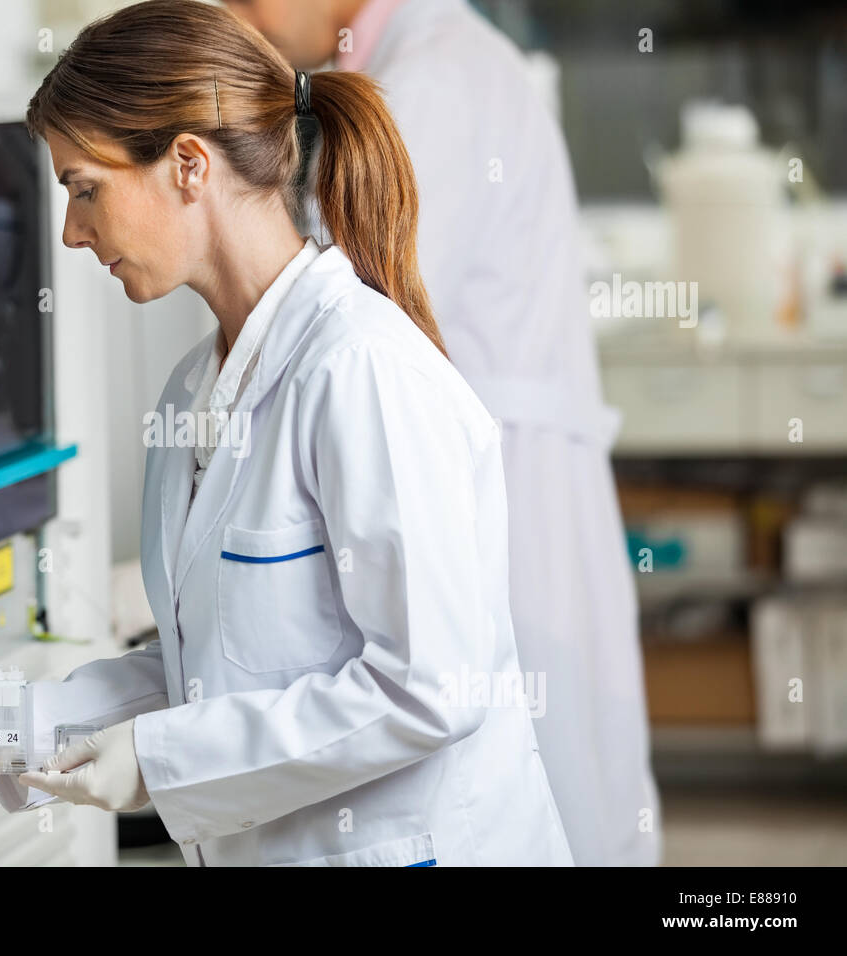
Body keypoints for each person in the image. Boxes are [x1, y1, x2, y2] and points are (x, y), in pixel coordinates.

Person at [0, 0, 572, 867]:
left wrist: (161, 762)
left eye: (85, 189)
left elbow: (432, 688)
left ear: (188, 165)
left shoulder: (359, 372)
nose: (72, 231)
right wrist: (14, 731)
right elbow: (219, 667)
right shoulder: (196, 392)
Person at [222, 0, 661, 866]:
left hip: (500, 481)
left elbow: (354, 299)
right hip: (479, 466)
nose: (241, 20)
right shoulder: (412, 65)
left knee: (549, 766)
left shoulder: (437, 80)